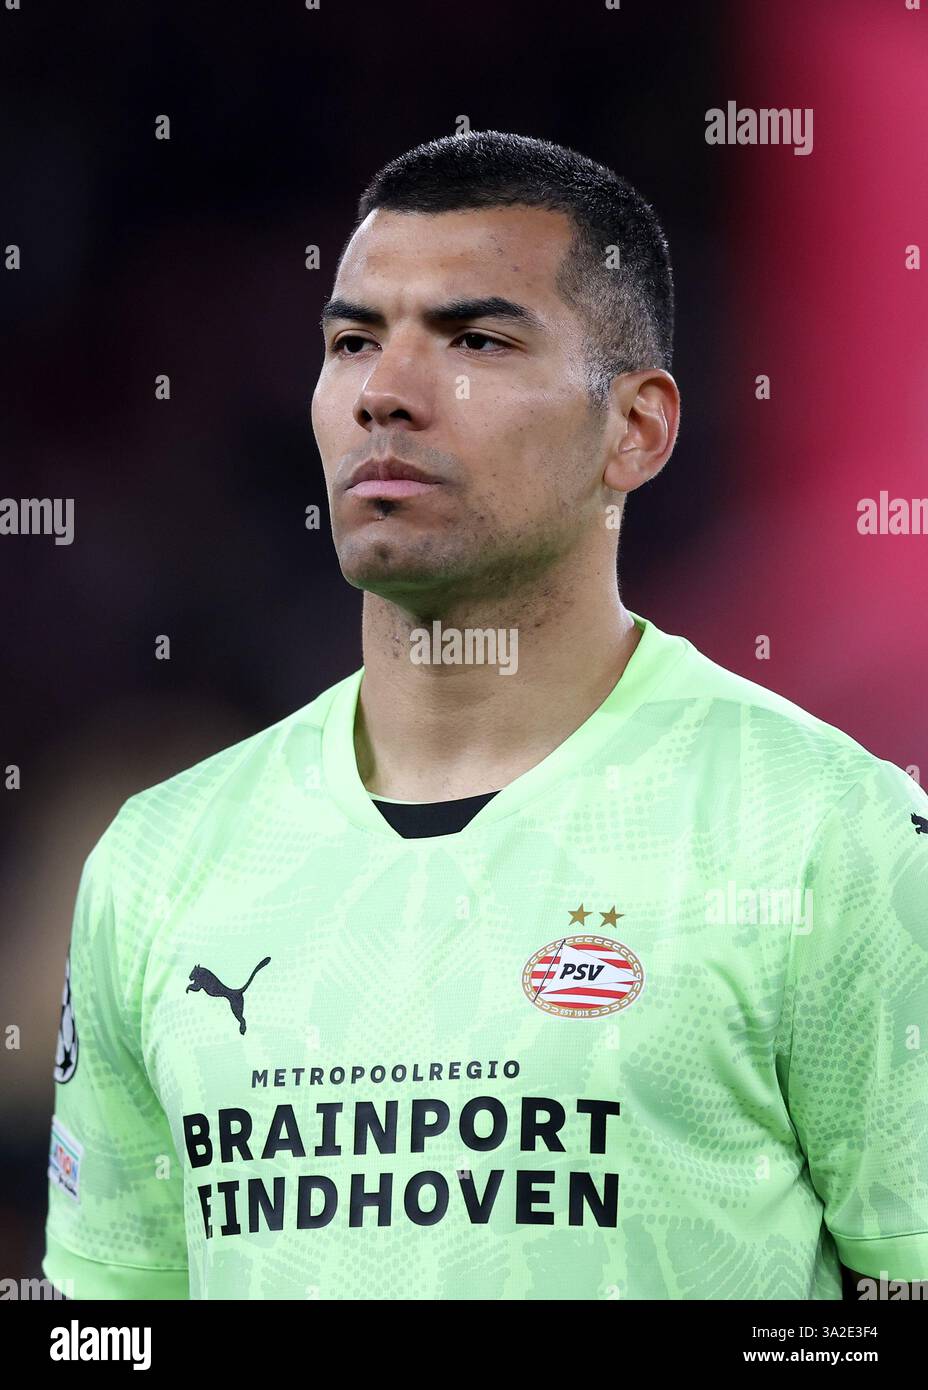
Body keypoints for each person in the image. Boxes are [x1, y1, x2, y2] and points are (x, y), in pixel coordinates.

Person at [43, 130, 928, 1301]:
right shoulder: (160, 861)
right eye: (353, 342)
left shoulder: (831, 834)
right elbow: (106, 1321)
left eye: (474, 340)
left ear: (638, 429)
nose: (385, 395)